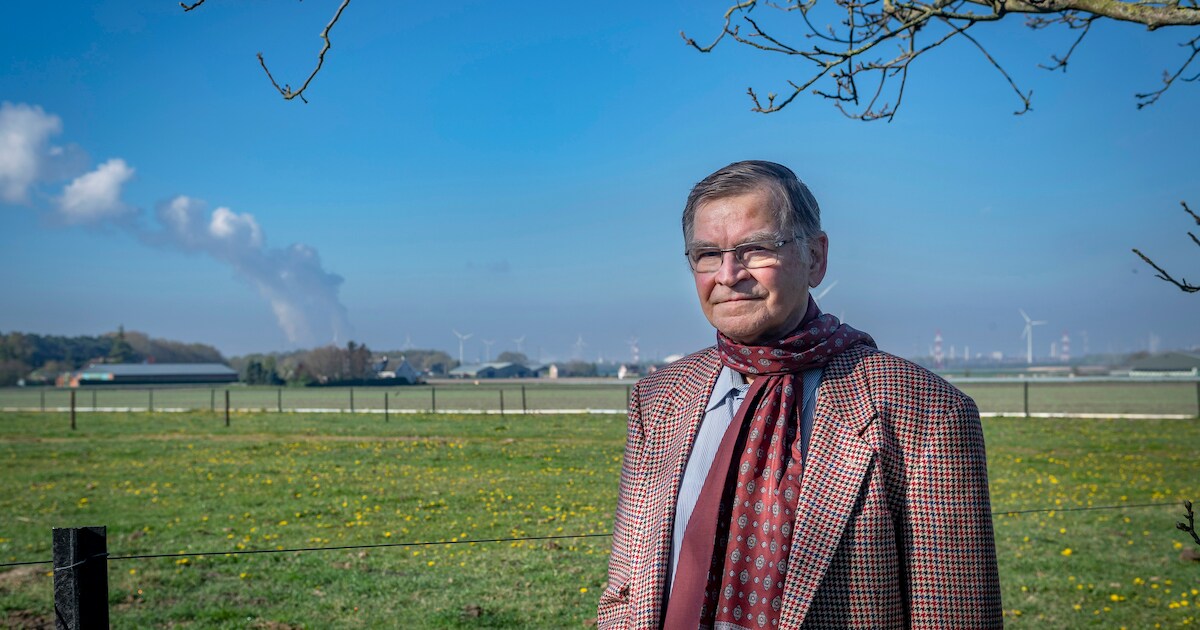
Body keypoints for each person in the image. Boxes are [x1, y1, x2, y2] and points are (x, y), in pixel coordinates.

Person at [597, 161, 1001, 629]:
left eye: (756, 249)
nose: (728, 274)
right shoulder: (659, 398)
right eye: (707, 253)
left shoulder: (922, 410)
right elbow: (627, 590)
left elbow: (956, 615)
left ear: (815, 257)